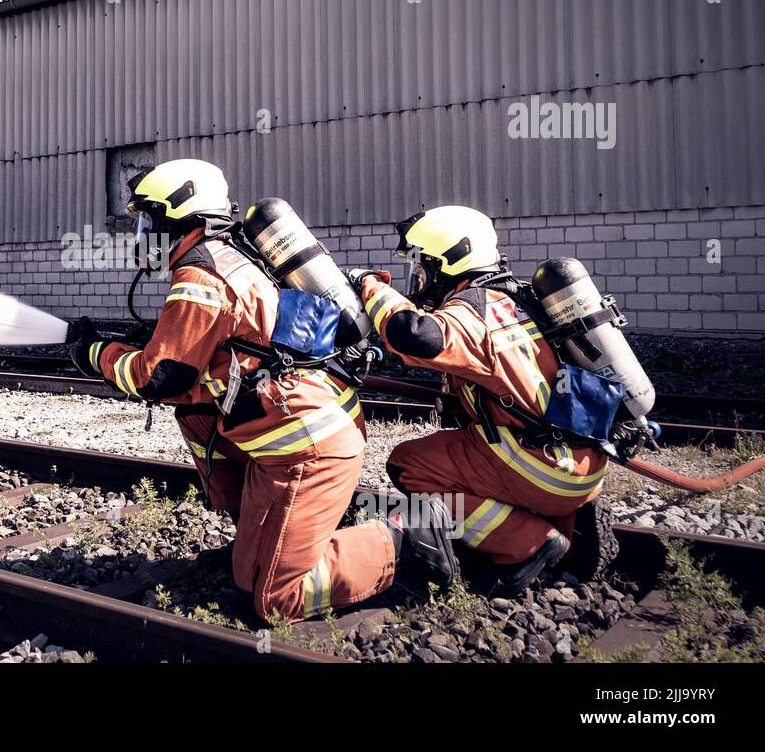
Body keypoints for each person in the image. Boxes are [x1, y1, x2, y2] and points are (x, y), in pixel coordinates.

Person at [67, 159, 456, 622]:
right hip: (305, 430)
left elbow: (157, 378)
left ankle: (406, 537)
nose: (143, 232)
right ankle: (263, 537)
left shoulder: (200, 275)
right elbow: (206, 360)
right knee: (243, 570)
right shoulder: (233, 256)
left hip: (309, 445)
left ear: (178, 218)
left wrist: (93, 353)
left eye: (149, 220)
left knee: (275, 600)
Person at [348, 206, 614, 597]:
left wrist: (370, 285)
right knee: (468, 446)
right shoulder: (519, 299)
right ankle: (570, 527)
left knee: (408, 464)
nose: (418, 280)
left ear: (448, 263)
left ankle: (526, 543)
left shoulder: (473, 310)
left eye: (422, 268)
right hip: (585, 464)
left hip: (541, 468)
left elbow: (413, 334)